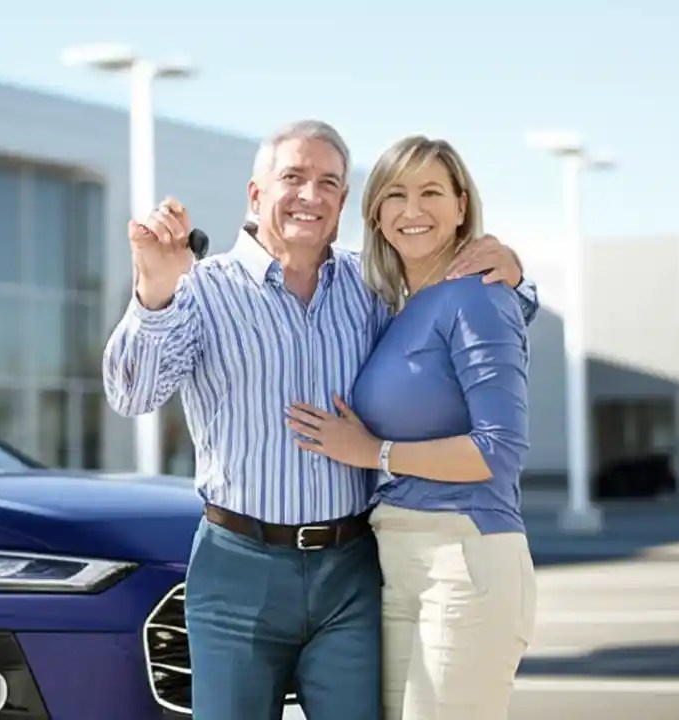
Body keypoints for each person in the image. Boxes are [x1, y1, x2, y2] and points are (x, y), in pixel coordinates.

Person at [101, 119, 538, 720]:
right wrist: (154, 292)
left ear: (344, 201)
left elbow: (459, 324)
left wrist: (515, 276)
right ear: (256, 194)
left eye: (328, 182)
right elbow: (131, 394)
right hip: (239, 569)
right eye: (293, 178)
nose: (310, 195)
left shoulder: (371, 287)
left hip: (351, 571)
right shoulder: (202, 290)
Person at [288, 135, 536, 720]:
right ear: (375, 212)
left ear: (461, 206)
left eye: (432, 193)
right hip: (399, 562)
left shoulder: (479, 297)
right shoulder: (396, 306)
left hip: (463, 557)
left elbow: (498, 450)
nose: (413, 210)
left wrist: (374, 452)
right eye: (395, 194)